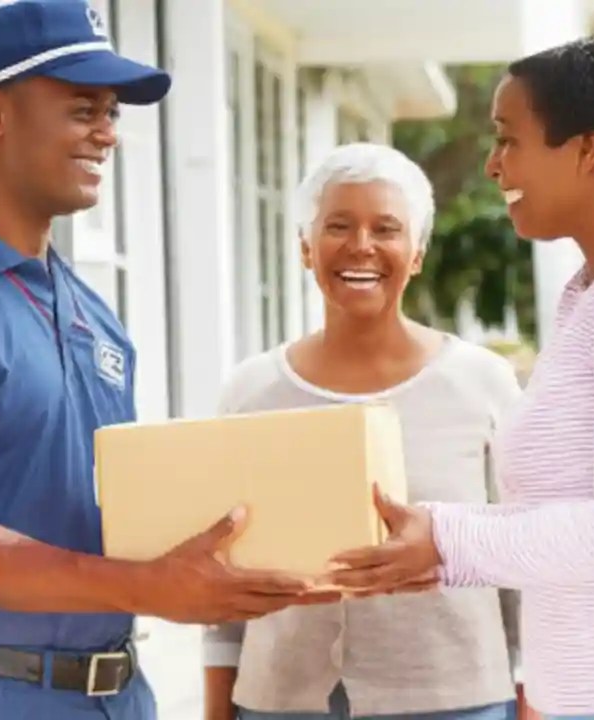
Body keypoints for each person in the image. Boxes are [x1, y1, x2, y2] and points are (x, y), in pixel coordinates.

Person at [0, 2, 331, 718]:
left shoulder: (90, 312)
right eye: (82, 109)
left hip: (121, 694)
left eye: (111, 113)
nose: (107, 134)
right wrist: (145, 585)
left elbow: (111, 517)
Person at [324, 29, 594, 720]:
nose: (495, 167)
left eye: (509, 139)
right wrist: (445, 554)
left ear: (588, 149)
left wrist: (444, 539)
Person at [202, 143, 523, 720]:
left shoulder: (483, 384)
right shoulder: (250, 393)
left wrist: (532, 701)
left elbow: (524, 560)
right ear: (305, 247)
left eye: (386, 228)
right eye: (338, 226)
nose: (361, 246)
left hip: (456, 700)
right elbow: (223, 584)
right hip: (282, 702)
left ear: (417, 252)